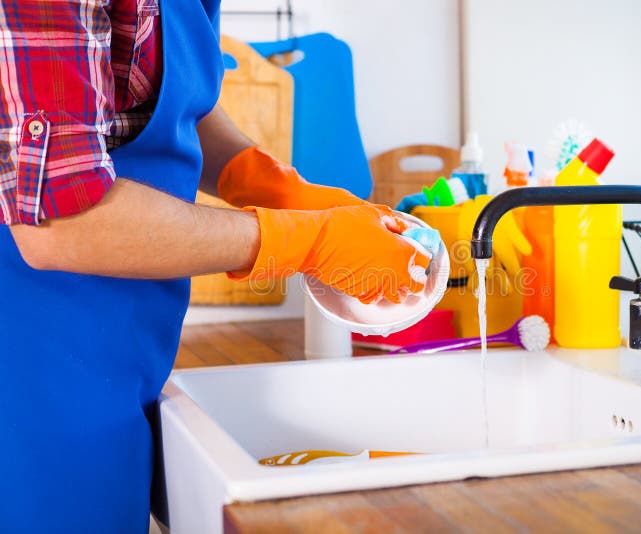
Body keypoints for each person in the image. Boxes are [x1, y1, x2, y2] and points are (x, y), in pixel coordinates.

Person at [0, 1, 429, 532]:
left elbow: (167, 99)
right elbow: (59, 222)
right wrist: (301, 241)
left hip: (122, 350)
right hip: (29, 357)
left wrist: (270, 184)